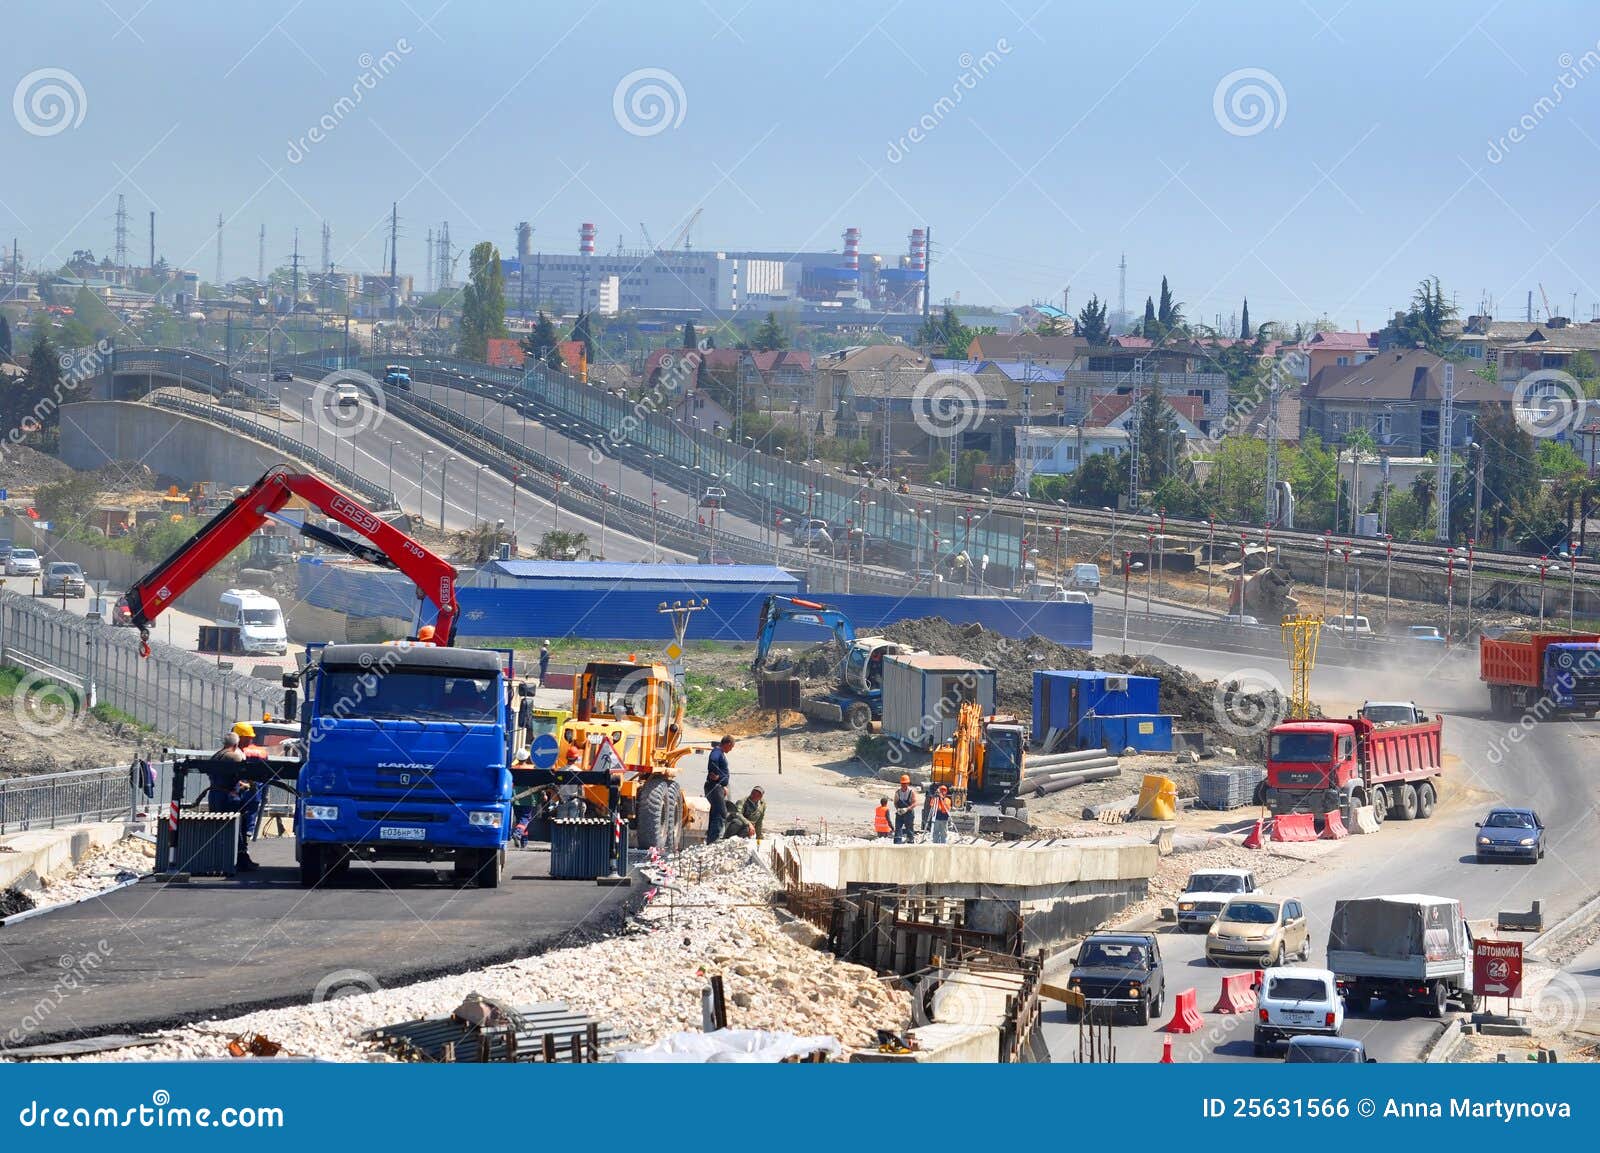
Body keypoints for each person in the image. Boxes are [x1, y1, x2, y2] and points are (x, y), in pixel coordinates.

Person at [207, 734, 260, 871]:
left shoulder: (216, 755)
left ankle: (218, 859)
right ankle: (241, 860)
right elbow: (241, 775)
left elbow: (220, 776)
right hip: (229, 797)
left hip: (214, 795)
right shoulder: (234, 756)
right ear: (236, 745)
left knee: (218, 827)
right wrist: (245, 785)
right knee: (238, 828)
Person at [705, 735, 734, 843]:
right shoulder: (717, 752)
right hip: (714, 786)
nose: (730, 750)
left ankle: (711, 838)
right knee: (721, 812)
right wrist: (716, 775)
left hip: (718, 786)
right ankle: (715, 838)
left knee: (715, 812)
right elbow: (713, 760)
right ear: (728, 744)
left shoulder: (719, 752)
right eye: (731, 748)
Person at [892, 775, 918, 844]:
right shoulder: (898, 792)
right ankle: (897, 842)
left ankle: (910, 841)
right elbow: (895, 802)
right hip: (900, 813)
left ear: (908, 783)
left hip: (908, 813)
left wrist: (907, 809)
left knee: (909, 828)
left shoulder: (911, 792)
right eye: (902, 783)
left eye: (905, 783)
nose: (903, 785)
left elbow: (915, 803)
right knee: (898, 828)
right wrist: (898, 809)